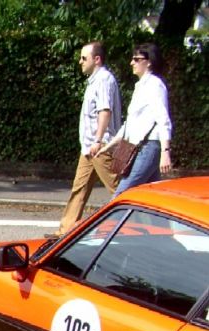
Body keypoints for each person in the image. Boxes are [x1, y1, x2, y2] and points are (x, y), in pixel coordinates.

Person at [55, 41, 122, 237]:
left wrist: (98, 140)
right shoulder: (95, 80)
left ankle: (147, 223)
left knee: (119, 188)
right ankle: (65, 232)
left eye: (84, 58)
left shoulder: (103, 80)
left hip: (101, 147)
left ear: (97, 59)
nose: (80, 61)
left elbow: (104, 110)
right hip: (90, 147)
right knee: (79, 188)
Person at [100, 42, 173, 197]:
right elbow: (130, 123)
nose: (131, 62)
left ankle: (108, 221)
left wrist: (165, 152)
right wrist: (110, 145)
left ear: (149, 62)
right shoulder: (140, 86)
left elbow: (163, 119)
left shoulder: (155, 85)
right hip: (137, 147)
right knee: (149, 198)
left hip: (148, 147)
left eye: (136, 59)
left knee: (122, 194)